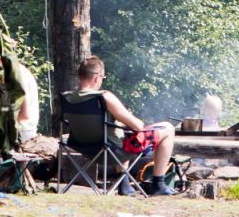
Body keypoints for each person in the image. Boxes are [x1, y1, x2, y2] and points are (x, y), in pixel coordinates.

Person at [73, 56, 177, 196]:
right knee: (168, 128)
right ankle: (158, 183)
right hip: (111, 151)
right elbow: (137, 126)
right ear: (97, 77)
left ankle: (124, 184)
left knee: (121, 134)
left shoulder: (68, 97)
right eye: (103, 77)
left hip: (84, 149)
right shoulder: (104, 96)